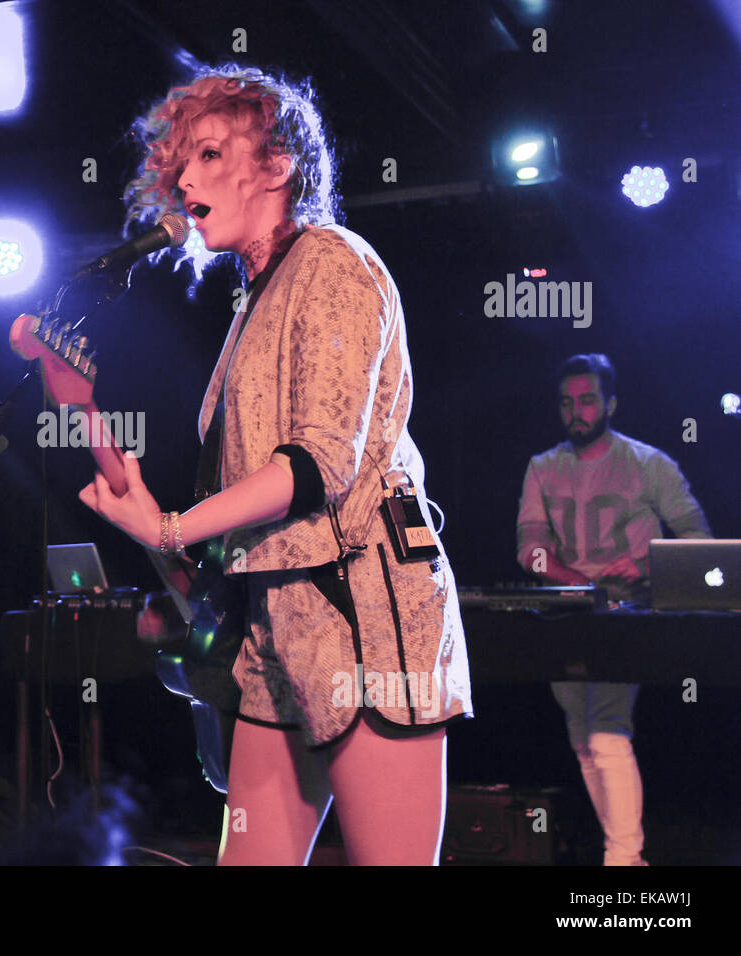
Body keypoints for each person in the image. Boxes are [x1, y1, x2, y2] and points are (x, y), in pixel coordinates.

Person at [78, 66, 473, 865]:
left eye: (213, 154)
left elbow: (318, 463)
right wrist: (181, 561)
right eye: (180, 164)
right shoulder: (253, 301)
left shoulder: (331, 260)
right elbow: (259, 508)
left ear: (279, 162)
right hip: (276, 630)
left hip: (365, 620)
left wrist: (171, 525)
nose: (186, 178)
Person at [516, 353, 711, 865]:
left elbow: (698, 542)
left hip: (628, 618)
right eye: (567, 402)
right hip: (568, 616)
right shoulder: (542, 467)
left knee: (605, 732)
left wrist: (644, 563)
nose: (576, 411)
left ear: (611, 404)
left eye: (586, 400)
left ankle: (621, 860)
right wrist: (577, 584)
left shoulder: (649, 464)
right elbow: (530, 548)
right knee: (583, 742)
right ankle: (628, 858)